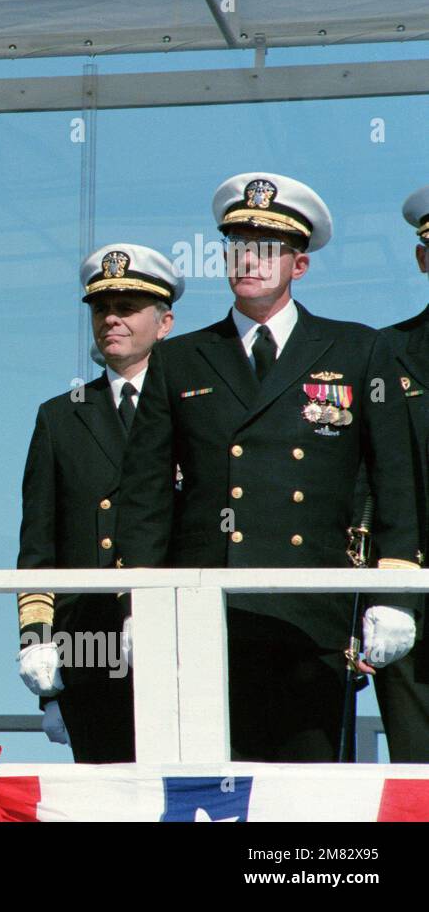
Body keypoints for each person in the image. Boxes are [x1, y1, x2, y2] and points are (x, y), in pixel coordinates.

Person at [114, 172, 419, 762]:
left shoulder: (356, 349)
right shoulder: (179, 359)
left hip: (313, 610)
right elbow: (145, 495)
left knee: (306, 798)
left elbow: (394, 479)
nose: (248, 260)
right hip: (207, 608)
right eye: (237, 246)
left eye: (267, 248)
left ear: (298, 266)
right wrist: (139, 600)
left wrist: (396, 590)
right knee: (202, 785)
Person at [16, 244, 182, 763]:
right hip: (88, 642)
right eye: (100, 309)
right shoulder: (61, 417)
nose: (111, 319)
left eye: (127, 308)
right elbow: (40, 541)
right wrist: (36, 640)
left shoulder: (195, 408)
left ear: (164, 323)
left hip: (179, 630)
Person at [366, 185, 429, 762]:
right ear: (421, 259)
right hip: (410, 600)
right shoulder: (386, 353)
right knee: (419, 773)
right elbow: (365, 481)